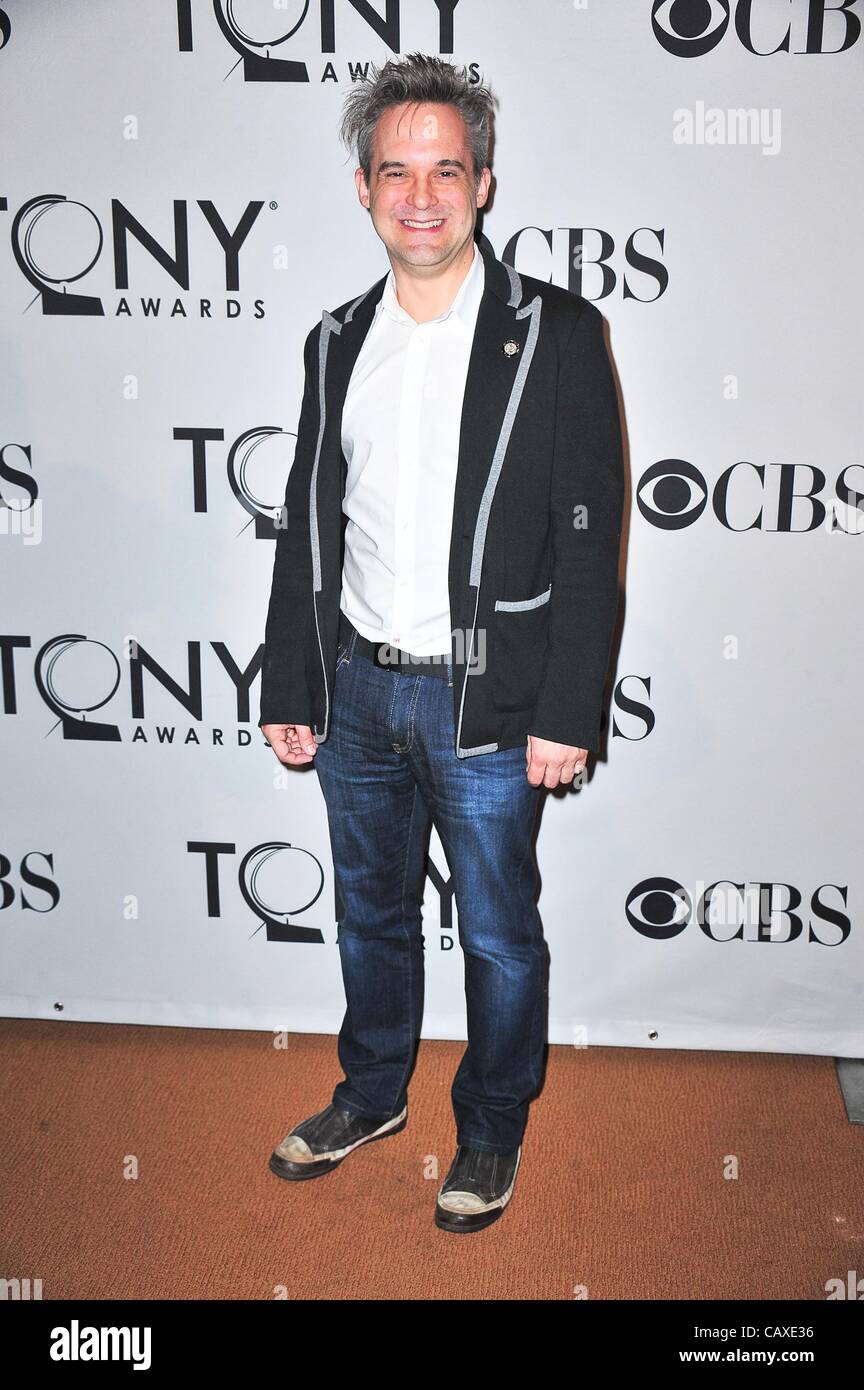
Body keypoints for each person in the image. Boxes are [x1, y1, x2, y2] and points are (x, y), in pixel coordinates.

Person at [259, 53, 624, 1233]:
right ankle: (371, 1094)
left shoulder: (555, 332)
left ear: (484, 183)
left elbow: (589, 535)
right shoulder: (334, 339)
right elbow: (307, 525)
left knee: (501, 932)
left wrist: (569, 708)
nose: (423, 195)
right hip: (359, 688)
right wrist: (295, 676)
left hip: (490, 699)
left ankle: (491, 1127)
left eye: (446, 170)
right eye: (396, 172)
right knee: (368, 914)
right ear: (362, 188)